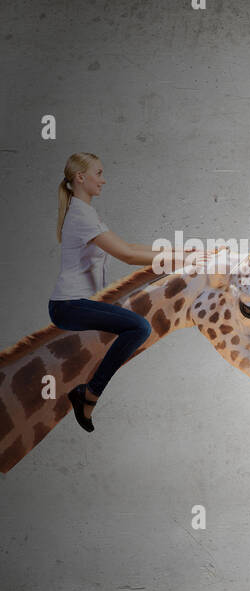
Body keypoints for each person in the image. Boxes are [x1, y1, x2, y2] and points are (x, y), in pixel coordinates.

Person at [49, 152, 190, 432]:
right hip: (68, 305)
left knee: (137, 323)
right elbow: (127, 256)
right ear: (81, 178)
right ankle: (89, 394)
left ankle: (88, 393)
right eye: (98, 173)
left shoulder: (86, 212)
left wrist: (183, 253)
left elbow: (132, 247)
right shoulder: (80, 215)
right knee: (138, 327)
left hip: (77, 303)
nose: (104, 179)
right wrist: (182, 260)